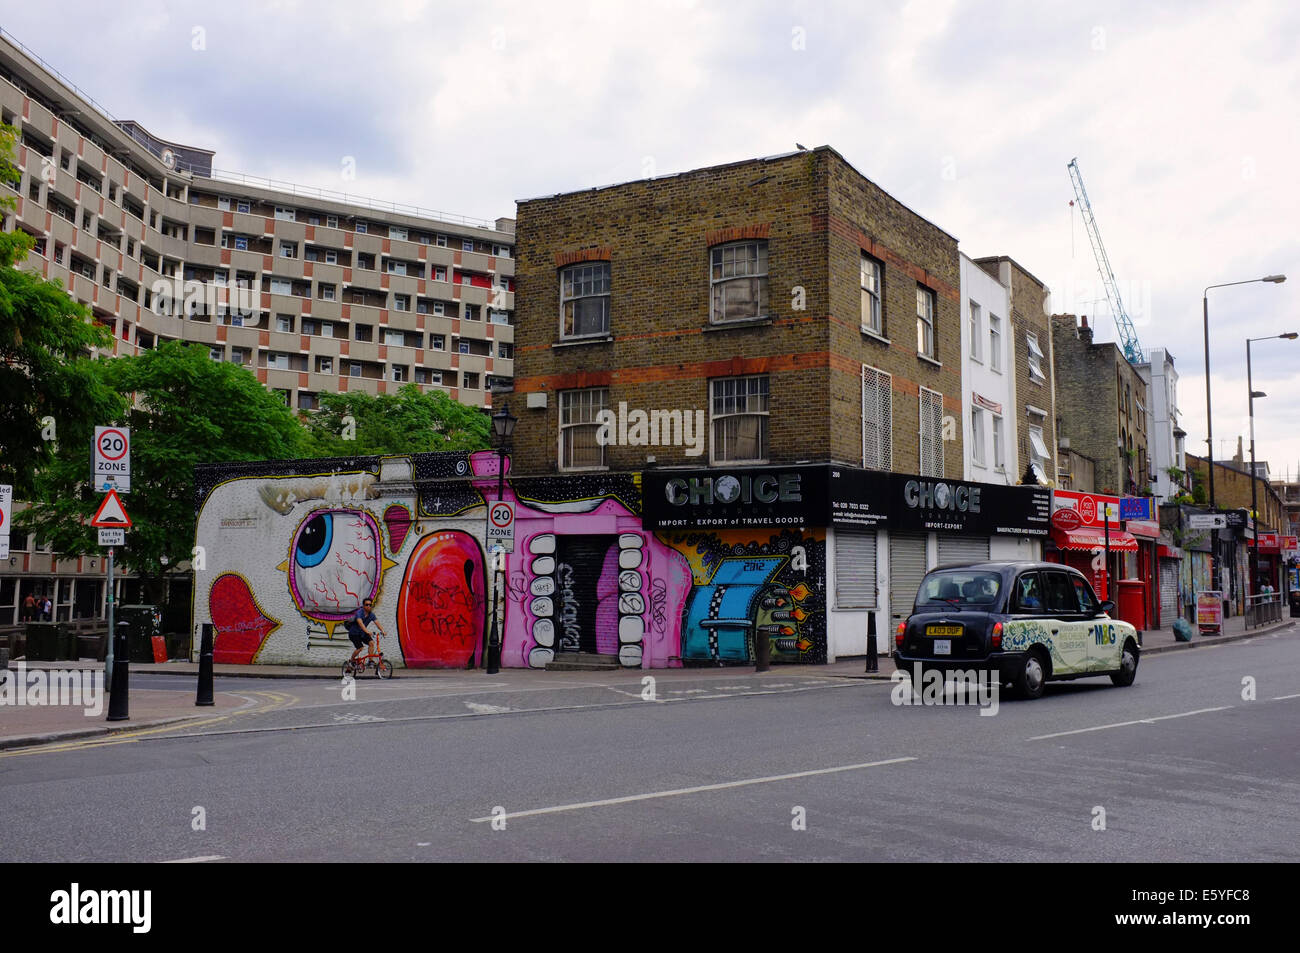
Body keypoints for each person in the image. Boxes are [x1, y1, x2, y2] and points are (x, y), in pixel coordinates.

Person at [345, 598, 385, 668]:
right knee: (360, 648)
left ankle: (370, 661)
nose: (369, 606)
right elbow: (361, 624)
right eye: (367, 605)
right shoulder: (359, 613)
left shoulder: (371, 614)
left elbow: (377, 623)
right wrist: (367, 632)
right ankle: (351, 661)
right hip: (354, 633)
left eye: (370, 605)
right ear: (363, 606)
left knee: (371, 643)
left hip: (362, 633)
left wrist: (383, 631)